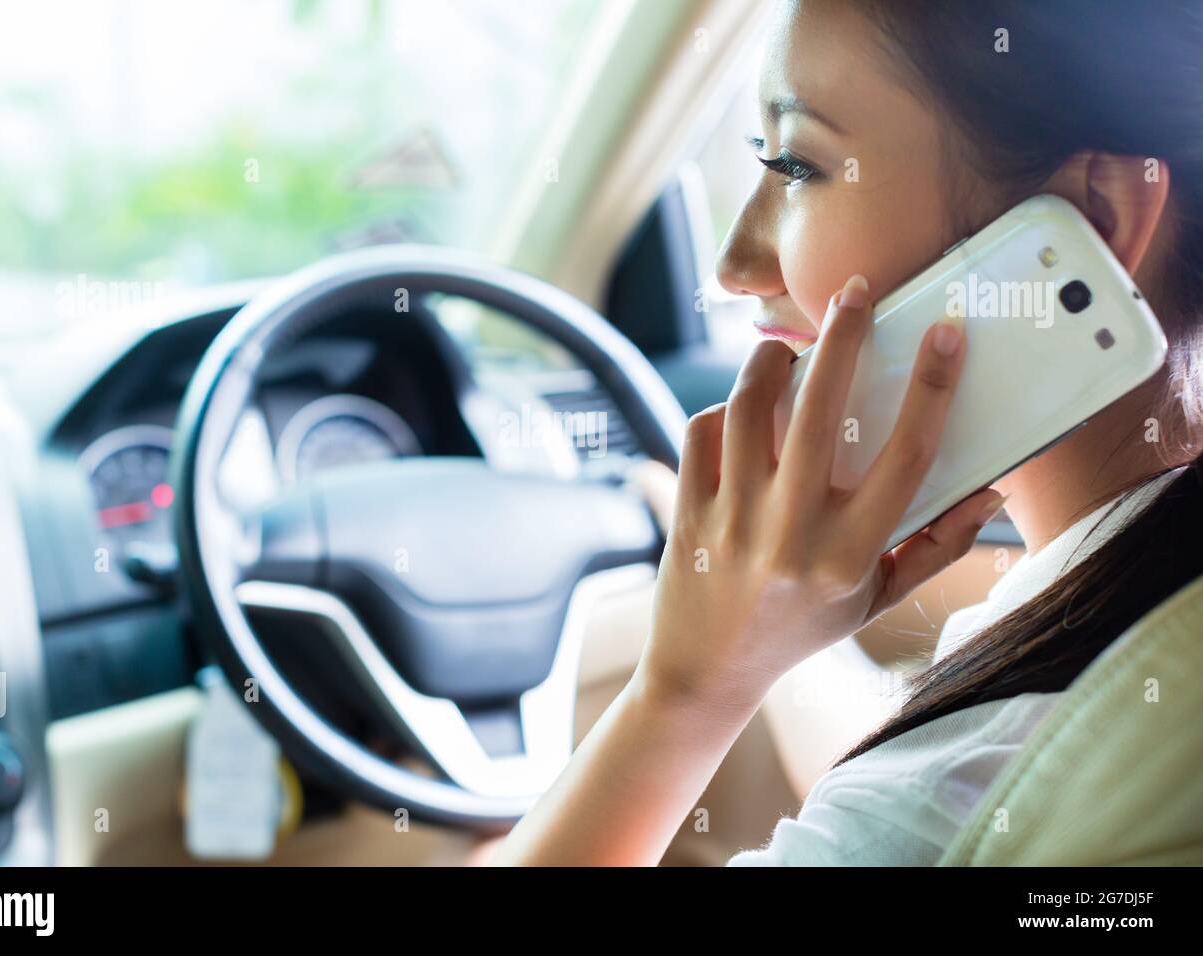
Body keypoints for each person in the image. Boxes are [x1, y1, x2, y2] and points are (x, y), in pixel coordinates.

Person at [493, 0, 1203, 866]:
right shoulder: (1134, 605)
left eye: (797, 165)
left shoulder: (947, 807)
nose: (733, 265)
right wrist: (762, 644)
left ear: (1097, 215)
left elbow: (927, 794)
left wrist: (682, 693)